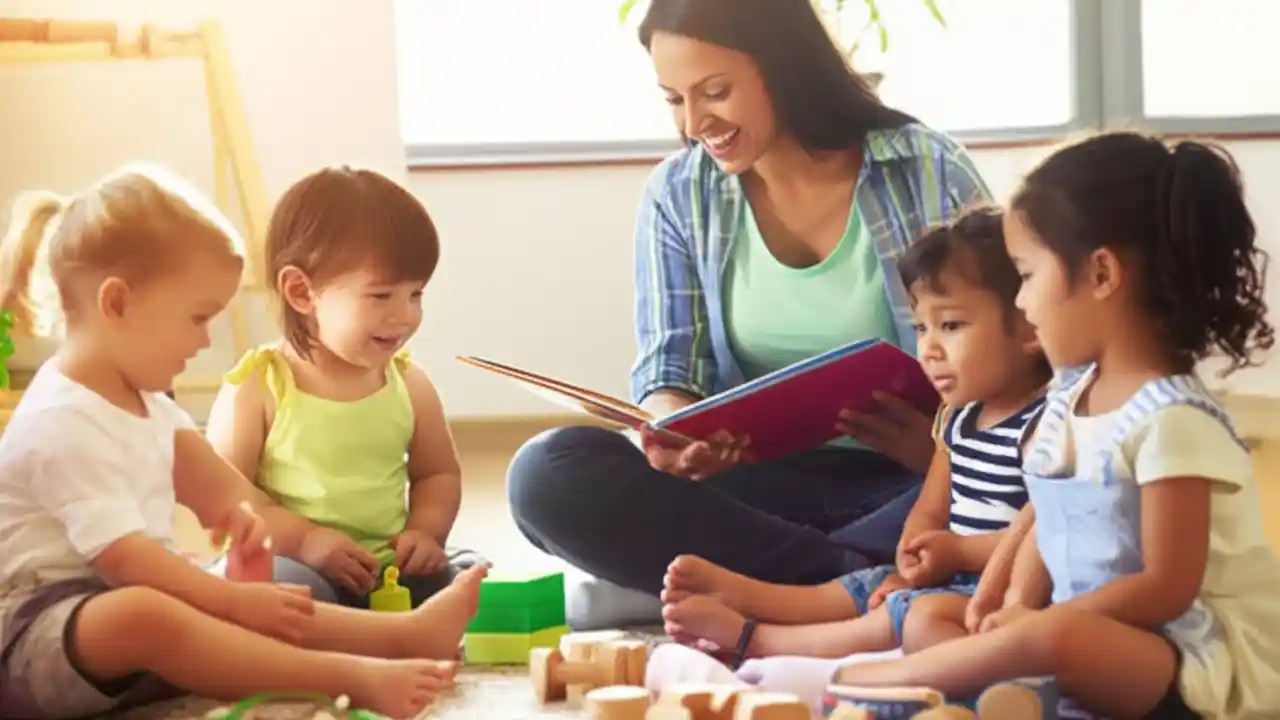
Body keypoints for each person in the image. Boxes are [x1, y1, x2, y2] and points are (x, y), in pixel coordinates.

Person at [506, 0, 994, 609]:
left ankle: (741, 584)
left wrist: (940, 452)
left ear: (783, 66)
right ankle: (848, 583)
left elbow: (1009, 346)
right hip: (753, 488)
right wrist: (676, 430)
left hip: (914, 481)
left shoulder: (924, 167)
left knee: (1025, 493)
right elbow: (668, 365)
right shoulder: (679, 194)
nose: (692, 123)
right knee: (547, 475)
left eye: (714, 92)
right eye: (674, 99)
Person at [0, 166, 484, 719]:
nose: (206, 339)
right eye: (197, 317)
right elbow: (128, 561)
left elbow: (221, 490)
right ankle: (349, 674)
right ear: (117, 303)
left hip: (114, 621)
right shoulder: (65, 422)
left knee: (251, 601)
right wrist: (227, 597)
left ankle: (402, 635)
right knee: (148, 609)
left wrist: (249, 540)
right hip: (33, 633)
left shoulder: (150, 407)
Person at [827, 132, 1280, 719]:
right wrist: (1000, 601)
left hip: (1192, 658)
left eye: (1028, 276)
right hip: (1093, 634)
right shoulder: (1069, 395)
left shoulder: (1172, 421)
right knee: (938, 614)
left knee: (1053, 640)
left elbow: (1167, 587)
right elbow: (1040, 518)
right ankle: (1001, 695)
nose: (1021, 304)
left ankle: (888, 682)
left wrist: (1029, 629)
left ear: (1100, 274)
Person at [660, 208, 1051, 662]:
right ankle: (752, 595)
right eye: (921, 327)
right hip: (949, 573)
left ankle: (760, 639)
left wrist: (958, 552)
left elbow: (1046, 536)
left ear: (1029, 330)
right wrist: (912, 560)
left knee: (908, 615)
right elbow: (928, 510)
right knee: (869, 587)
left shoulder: (1046, 425)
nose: (929, 348)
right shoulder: (957, 420)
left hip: (1005, 592)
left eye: (951, 326)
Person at [206, 167, 468, 608]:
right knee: (266, 587)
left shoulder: (409, 383)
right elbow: (222, 497)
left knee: (469, 573)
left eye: (416, 294)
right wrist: (307, 541)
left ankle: (389, 626)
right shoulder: (259, 386)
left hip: (389, 570)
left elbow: (437, 474)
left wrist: (425, 532)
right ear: (301, 292)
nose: (404, 316)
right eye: (381, 296)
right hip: (295, 563)